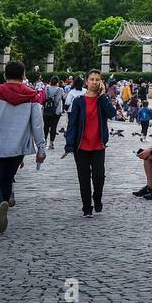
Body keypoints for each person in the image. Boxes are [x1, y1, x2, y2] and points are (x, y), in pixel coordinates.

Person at [0, 61, 45, 233]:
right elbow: (37, 125)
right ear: (23, 75)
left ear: (5, 75)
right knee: (6, 182)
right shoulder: (32, 96)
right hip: (18, 148)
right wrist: (41, 147)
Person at [64, 70, 112, 218]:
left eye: (98, 79)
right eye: (92, 79)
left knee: (99, 176)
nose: (95, 82)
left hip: (98, 145)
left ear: (101, 82)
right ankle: (86, 206)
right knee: (83, 178)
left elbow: (111, 113)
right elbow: (72, 124)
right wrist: (69, 144)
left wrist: (103, 95)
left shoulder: (102, 100)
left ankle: (97, 198)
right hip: (81, 146)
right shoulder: (78, 101)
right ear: (86, 81)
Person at [41, 78, 65, 145]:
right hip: (56, 111)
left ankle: (44, 141)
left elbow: (43, 98)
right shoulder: (60, 89)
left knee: (45, 126)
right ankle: (51, 143)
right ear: (57, 82)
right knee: (54, 127)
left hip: (46, 110)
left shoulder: (46, 88)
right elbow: (64, 97)